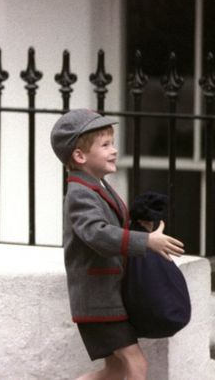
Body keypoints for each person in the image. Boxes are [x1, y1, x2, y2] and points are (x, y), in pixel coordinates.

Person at [50, 109, 184, 380]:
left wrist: (139, 221)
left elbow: (111, 228)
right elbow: (97, 234)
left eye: (112, 143)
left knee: (114, 371)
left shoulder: (98, 186)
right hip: (98, 299)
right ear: (79, 156)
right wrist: (146, 241)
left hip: (110, 296)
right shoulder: (80, 193)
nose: (114, 150)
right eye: (105, 145)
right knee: (136, 364)